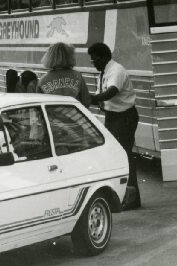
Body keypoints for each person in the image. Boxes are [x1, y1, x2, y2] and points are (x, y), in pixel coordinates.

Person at [87, 42, 140, 210]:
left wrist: (91, 99)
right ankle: (125, 196)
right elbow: (101, 95)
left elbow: (111, 92)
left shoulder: (116, 70)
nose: (93, 63)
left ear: (103, 57)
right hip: (113, 117)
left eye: (94, 60)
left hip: (124, 117)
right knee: (117, 155)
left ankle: (132, 199)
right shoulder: (104, 71)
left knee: (124, 155)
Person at [37, 42, 90, 107]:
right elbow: (86, 101)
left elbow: (38, 105)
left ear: (49, 57)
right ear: (70, 56)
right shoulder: (78, 76)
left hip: (52, 113)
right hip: (74, 113)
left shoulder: (43, 80)